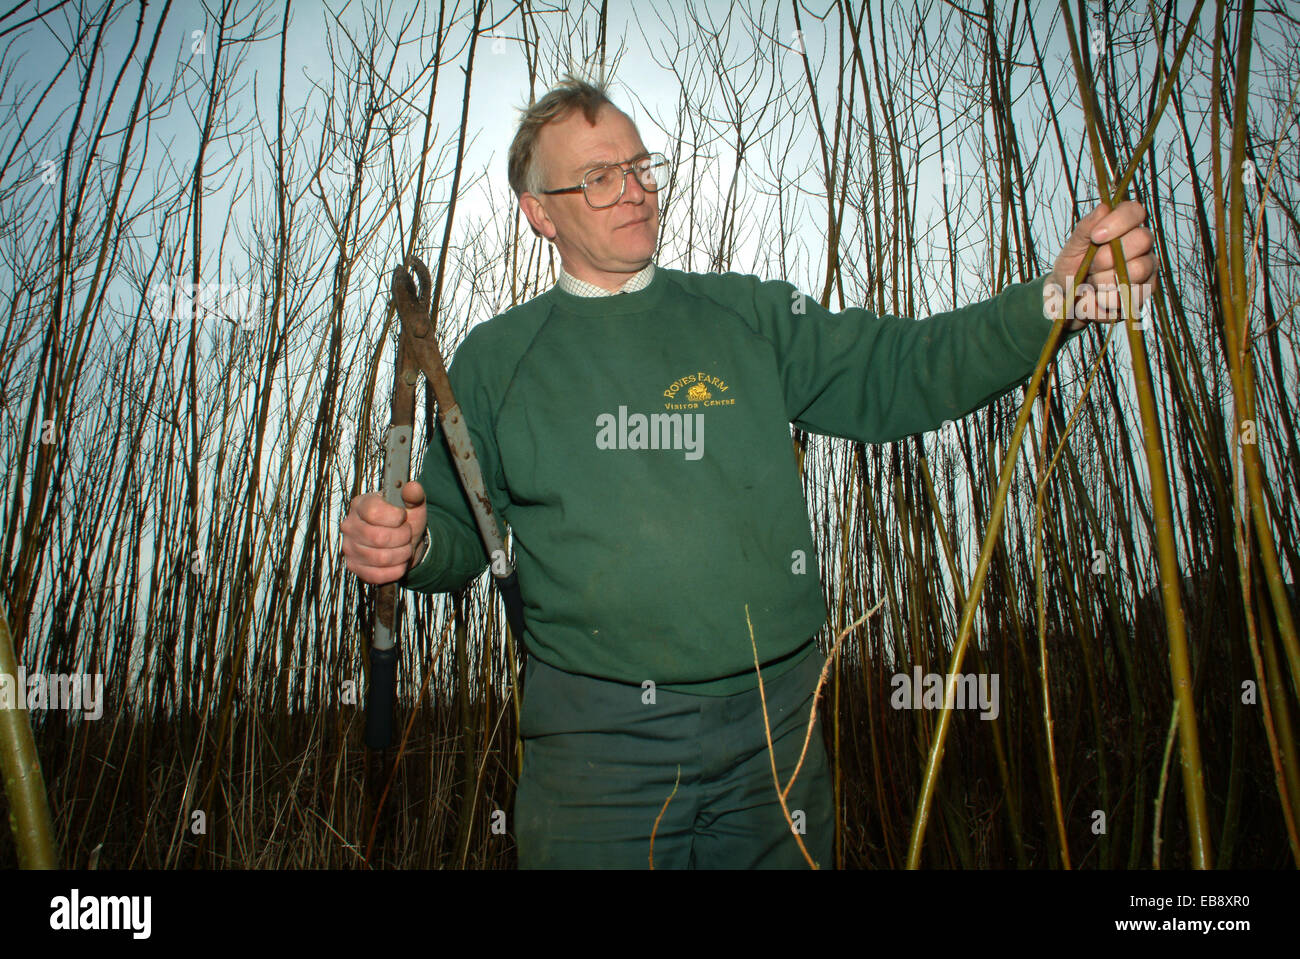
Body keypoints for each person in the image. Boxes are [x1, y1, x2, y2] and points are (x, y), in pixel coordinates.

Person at [340, 75, 1156, 868]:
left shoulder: (748, 315)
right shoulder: (496, 360)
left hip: (777, 728)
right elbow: (457, 527)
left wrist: (1053, 300)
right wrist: (408, 542)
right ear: (539, 214)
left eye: (640, 166)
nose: (634, 190)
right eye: (598, 177)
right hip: (596, 745)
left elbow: (904, 369)